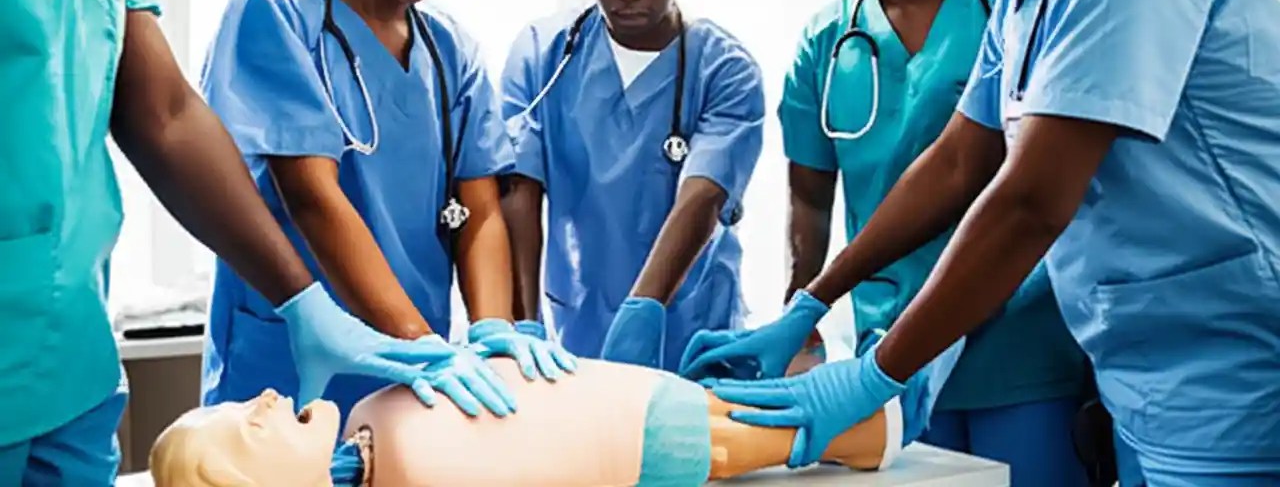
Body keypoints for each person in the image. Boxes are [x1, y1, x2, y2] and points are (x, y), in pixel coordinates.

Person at [680, 0, 1280, 485]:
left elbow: (1029, 200)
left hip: (1238, 374)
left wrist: (872, 377)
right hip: (1146, 381)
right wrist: (815, 297)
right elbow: (958, 161)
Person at [0, 0, 495, 484]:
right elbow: (308, 192)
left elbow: (166, 115)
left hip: (69, 361)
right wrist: (330, 311)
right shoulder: (278, 12)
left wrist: (311, 303)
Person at [198, 0, 575, 423]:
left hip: (412, 384)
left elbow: (478, 209)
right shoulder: (276, 14)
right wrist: (418, 345)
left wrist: (492, 330)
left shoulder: (451, 53)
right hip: (286, 374)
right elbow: (312, 196)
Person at [757, 0, 1089, 484]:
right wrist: (800, 323)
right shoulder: (827, 38)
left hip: (1021, 343)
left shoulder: (1011, 6)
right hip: (887, 351)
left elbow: (1044, 181)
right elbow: (809, 200)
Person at [499, 0, 766, 371]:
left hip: (693, 328)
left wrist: (642, 311)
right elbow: (518, 192)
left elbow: (702, 197)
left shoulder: (724, 69)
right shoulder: (543, 53)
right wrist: (521, 321)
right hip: (576, 328)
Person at [148, 340, 968, 487]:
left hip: (622, 396)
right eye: (251, 425)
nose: (262, 397)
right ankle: (874, 429)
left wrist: (501, 343)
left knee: (743, 412)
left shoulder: (365, 410)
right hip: (639, 447)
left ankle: (882, 403)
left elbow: (478, 394)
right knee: (747, 439)